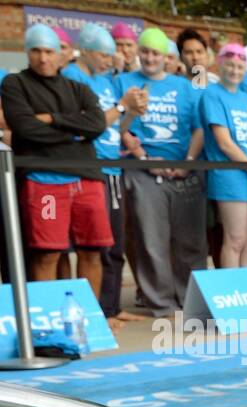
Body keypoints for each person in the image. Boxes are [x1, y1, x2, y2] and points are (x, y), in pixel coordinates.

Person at [1, 25, 111, 294]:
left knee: (92, 250)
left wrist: (52, 120)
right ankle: (44, 323)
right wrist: (75, 133)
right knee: (47, 254)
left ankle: (89, 322)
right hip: (45, 183)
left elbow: (97, 124)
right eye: (36, 51)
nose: (43, 58)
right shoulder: (15, 84)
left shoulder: (78, 88)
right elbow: (25, 128)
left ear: (61, 54)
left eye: (49, 51)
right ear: (28, 52)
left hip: (87, 180)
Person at [63, 24, 148, 327]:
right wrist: (122, 105)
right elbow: (91, 125)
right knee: (95, 245)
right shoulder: (72, 78)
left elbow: (115, 128)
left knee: (114, 243)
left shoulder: (106, 82)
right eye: (103, 54)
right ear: (85, 49)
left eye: (111, 55)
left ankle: (110, 307)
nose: (109, 60)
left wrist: (131, 114)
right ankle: (95, 310)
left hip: (113, 167)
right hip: (91, 168)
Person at [118, 28, 205, 316]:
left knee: (189, 240)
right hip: (143, 171)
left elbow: (198, 128)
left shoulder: (184, 86)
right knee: (151, 240)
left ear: (167, 56)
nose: (149, 57)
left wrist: (188, 162)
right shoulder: (124, 82)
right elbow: (118, 129)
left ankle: (192, 299)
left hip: (184, 170)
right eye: (145, 51)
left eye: (156, 52)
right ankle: (161, 302)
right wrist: (144, 157)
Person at [199, 43, 247, 268]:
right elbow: (224, 143)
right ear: (219, 64)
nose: (235, 70)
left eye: (240, 66)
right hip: (230, 176)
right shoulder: (212, 94)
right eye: (229, 65)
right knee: (235, 239)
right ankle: (233, 295)